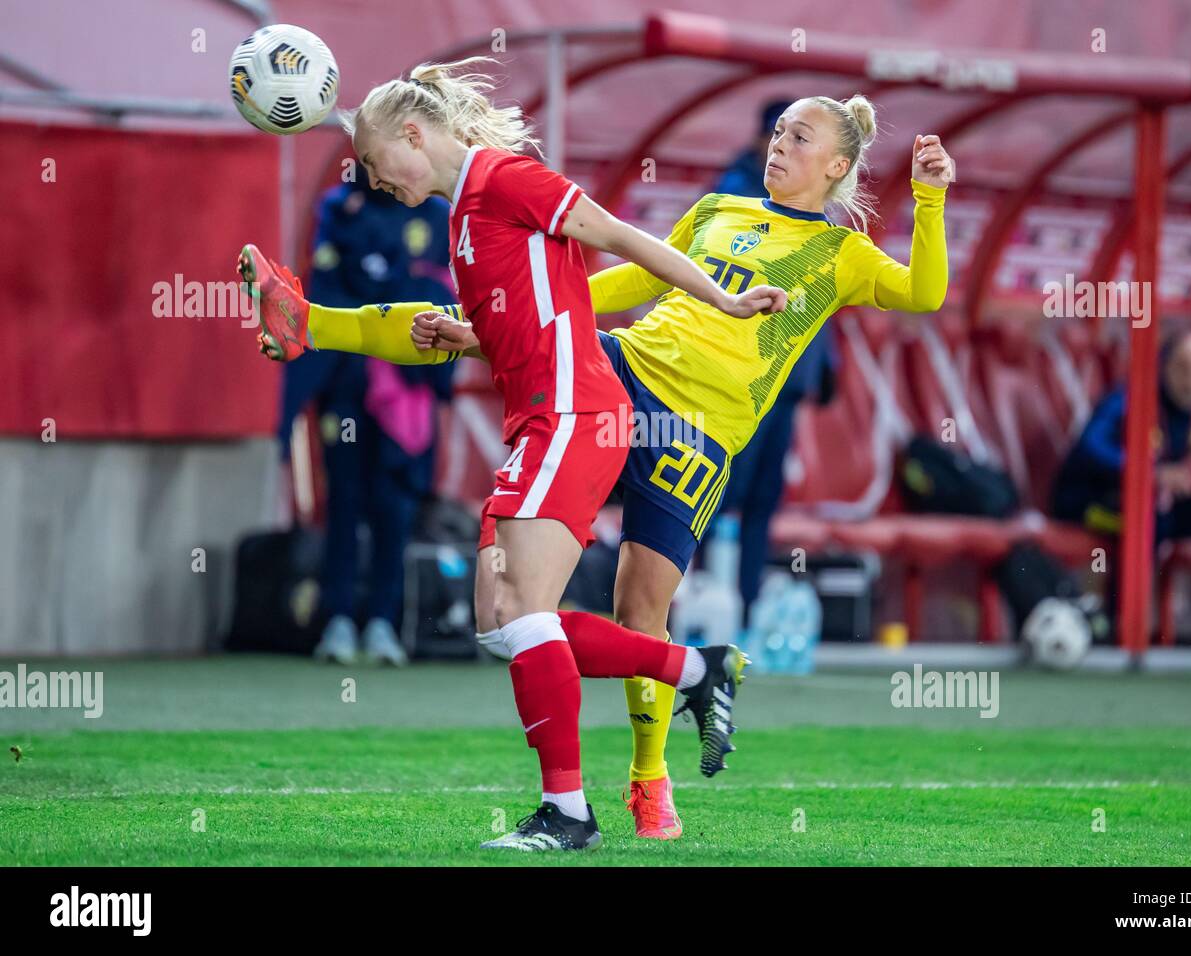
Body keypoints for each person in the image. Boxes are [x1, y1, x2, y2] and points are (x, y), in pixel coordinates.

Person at [238, 57, 785, 852]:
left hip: (576, 414)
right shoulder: (463, 220)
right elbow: (510, 323)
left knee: (523, 612)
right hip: (541, 423)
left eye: (372, 161)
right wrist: (427, 331)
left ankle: (567, 811)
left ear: (415, 135)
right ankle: (698, 672)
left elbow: (617, 236)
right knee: (502, 623)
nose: (371, 180)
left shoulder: (503, 179)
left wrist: (725, 299)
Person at [417, 96, 953, 836]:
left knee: (641, 609)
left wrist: (929, 198)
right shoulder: (714, 211)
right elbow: (630, 286)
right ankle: (320, 326)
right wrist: (488, 329)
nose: (779, 146)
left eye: (800, 138)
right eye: (776, 132)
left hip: (698, 433)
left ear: (835, 167)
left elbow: (925, 293)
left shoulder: (843, 255)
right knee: (521, 584)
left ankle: (648, 777)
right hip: (624, 372)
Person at [280, 174, 457, 667]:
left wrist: (389, 292)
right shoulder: (342, 207)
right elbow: (328, 294)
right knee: (344, 502)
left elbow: (438, 293)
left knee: (394, 507)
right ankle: (337, 620)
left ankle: (383, 622)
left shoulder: (436, 214)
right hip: (347, 386)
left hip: (408, 391)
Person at [700, 98, 840, 629]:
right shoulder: (730, 198)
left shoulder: (816, 208)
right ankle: (694, 610)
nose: (790, 148)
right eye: (787, 136)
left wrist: (823, 366)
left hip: (786, 381)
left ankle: (744, 616)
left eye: (804, 139)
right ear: (765, 140)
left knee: (761, 502)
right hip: (736, 377)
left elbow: (825, 291)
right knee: (714, 493)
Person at [1051, 330, 1191, 647]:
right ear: (1163, 366)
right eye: (1183, 369)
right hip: (1088, 503)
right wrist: (1148, 472)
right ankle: (1117, 624)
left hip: (1149, 504)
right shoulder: (1131, 398)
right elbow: (1089, 447)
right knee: (1146, 521)